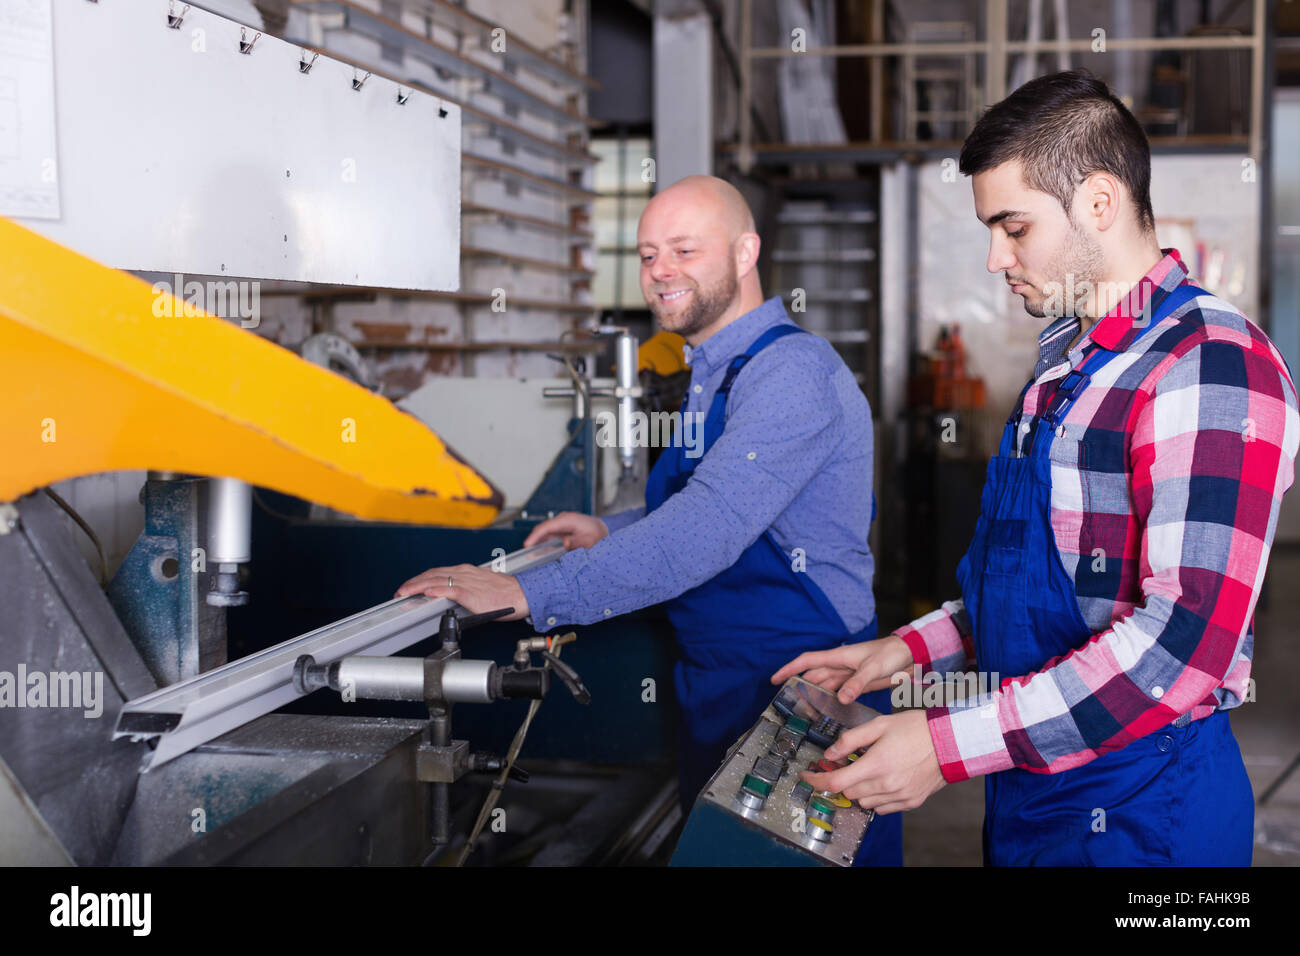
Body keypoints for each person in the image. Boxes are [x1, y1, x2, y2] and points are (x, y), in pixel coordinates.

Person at [775, 70, 1299, 866]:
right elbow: (1045, 595)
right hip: (1034, 792)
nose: (994, 259)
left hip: (1142, 814)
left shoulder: (1208, 362)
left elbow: (1180, 646)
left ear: (1097, 202)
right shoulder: (1067, 367)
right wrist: (909, 653)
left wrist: (945, 745)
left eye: (1012, 227)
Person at [397, 174, 901, 864]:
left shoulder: (791, 374)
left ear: (745, 252)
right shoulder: (716, 370)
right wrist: (615, 527)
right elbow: (710, 499)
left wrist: (526, 592)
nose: (660, 270)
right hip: (721, 682)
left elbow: (709, 528)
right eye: (647, 254)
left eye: (685, 250)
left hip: (799, 682)